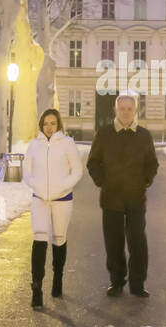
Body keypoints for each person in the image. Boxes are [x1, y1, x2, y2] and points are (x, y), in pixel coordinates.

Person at [87, 93, 158, 297]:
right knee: (114, 242)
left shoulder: (144, 135)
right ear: (115, 110)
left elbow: (152, 163)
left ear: (135, 111)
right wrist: (102, 181)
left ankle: (137, 284)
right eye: (122, 108)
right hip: (111, 198)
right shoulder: (104, 133)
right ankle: (116, 281)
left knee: (137, 242)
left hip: (136, 198)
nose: (125, 112)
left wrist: (145, 181)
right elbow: (93, 162)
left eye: (129, 109)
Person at [22, 108, 84, 309]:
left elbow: (77, 170)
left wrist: (64, 186)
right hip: (39, 198)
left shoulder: (67, 144)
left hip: (62, 199)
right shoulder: (34, 145)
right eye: (46, 123)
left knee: (59, 238)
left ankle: (58, 278)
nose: (49, 127)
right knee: (39, 237)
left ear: (58, 125)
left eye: (53, 123)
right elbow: (27, 172)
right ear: (41, 125)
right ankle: (37, 288)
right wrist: (35, 185)